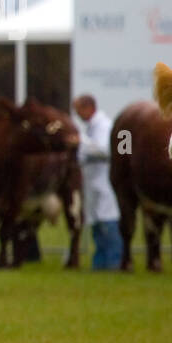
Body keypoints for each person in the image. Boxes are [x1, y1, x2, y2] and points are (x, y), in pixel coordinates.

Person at [72, 94, 123, 270]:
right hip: (93, 183)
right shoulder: (92, 127)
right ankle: (100, 263)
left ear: (89, 108)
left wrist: (81, 142)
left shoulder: (104, 126)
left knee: (107, 222)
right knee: (98, 224)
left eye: (78, 110)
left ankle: (113, 262)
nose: (77, 115)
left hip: (103, 182)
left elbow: (104, 150)